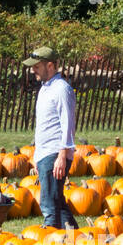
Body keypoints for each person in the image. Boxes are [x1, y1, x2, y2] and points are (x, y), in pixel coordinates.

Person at [24, 45, 78, 230]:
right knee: (56, 202)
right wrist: (37, 155)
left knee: (48, 204)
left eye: (36, 66)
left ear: (50, 66)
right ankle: (76, 243)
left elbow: (68, 124)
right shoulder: (45, 89)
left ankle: (51, 240)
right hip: (45, 153)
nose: (33, 70)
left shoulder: (62, 89)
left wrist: (62, 155)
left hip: (55, 153)